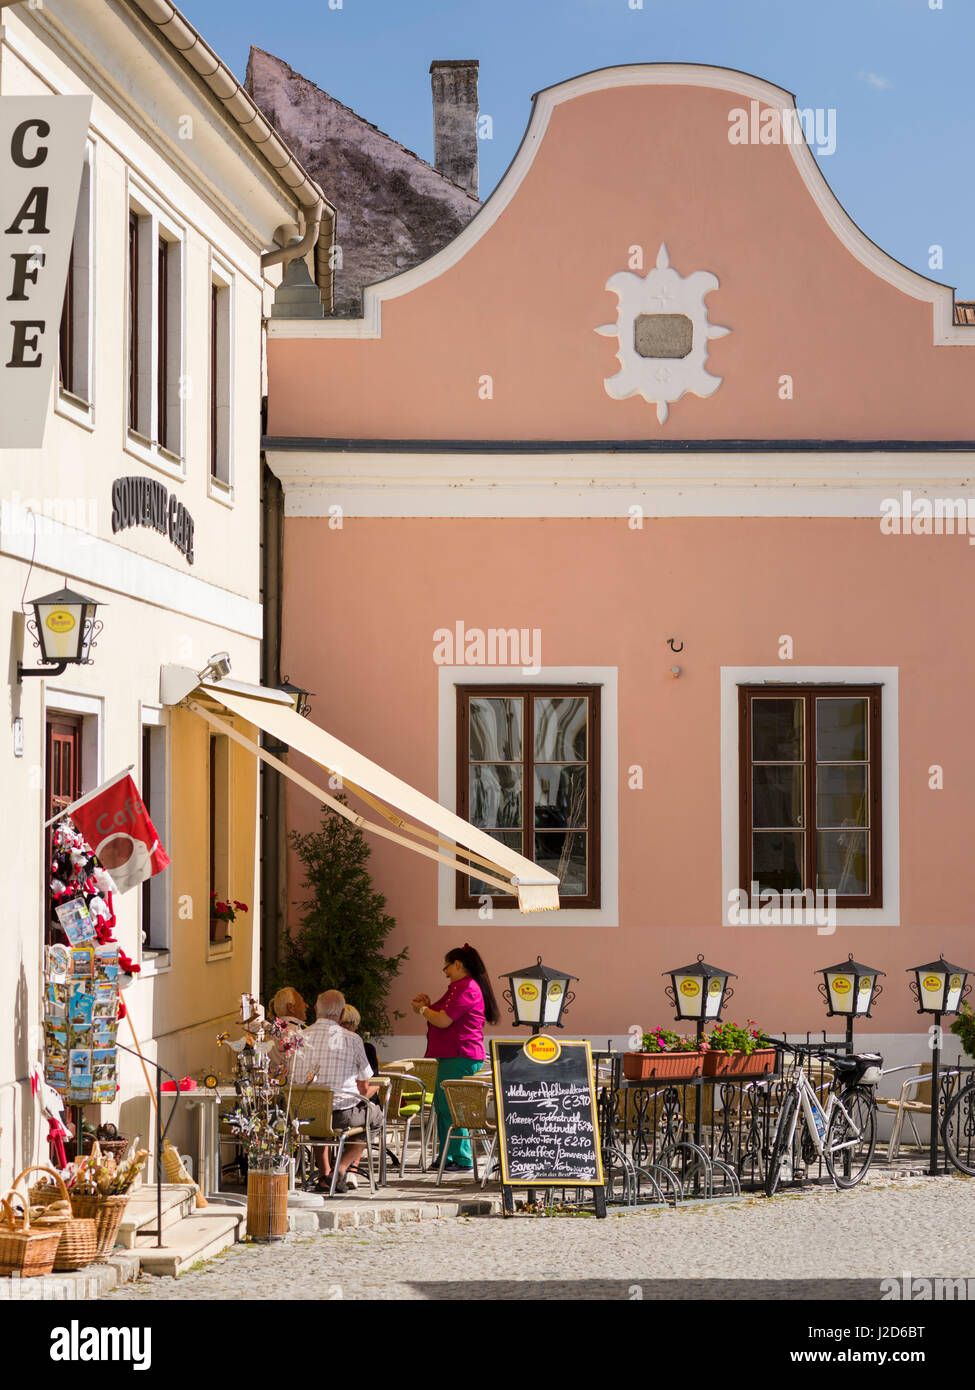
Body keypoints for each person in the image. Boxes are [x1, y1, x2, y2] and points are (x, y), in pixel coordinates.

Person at [412, 944, 499, 1171]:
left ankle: (462, 1158)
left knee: (454, 1109)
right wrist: (427, 1006)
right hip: (453, 1055)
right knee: (443, 1107)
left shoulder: (466, 988)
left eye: (447, 967)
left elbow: (443, 1020)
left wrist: (422, 1010)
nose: (445, 972)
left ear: (458, 964)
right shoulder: (458, 987)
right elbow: (440, 1013)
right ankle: (448, 1155)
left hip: (461, 1055)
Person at [299, 989, 381, 1193]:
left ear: (316, 1009)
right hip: (341, 1115)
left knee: (316, 1120)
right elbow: (363, 1086)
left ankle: (325, 1173)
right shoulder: (352, 1039)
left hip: (304, 1114)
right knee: (375, 1117)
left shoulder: (299, 1037)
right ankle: (341, 1170)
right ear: (343, 1013)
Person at [341, 1003, 379, 1073]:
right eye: (355, 1024)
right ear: (349, 1025)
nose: (357, 1027)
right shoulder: (365, 1048)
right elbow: (371, 1077)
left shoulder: (323, 1043)